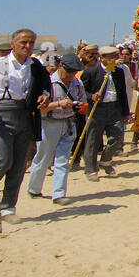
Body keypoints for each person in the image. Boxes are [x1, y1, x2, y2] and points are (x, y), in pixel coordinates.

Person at [0, 29, 52, 223]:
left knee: (18, 165)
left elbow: (45, 86)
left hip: (26, 115)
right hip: (2, 114)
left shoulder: (36, 67)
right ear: (13, 43)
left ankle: (8, 207)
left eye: (31, 43)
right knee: (2, 161)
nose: (27, 46)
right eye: (23, 42)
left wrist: (44, 96)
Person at [27, 53, 86, 205]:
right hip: (49, 124)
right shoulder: (48, 83)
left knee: (63, 159)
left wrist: (78, 106)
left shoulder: (77, 83)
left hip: (68, 123)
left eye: (74, 72)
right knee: (43, 157)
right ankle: (34, 188)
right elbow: (39, 109)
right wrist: (59, 104)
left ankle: (59, 194)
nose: (71, 75)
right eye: (69, 72)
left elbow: (83, 104)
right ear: (60, 67)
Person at [79, 46, 128, 180]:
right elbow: (82, 92)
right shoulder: (91, 72)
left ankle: (106, 160)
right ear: (102, 58)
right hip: (97, 109)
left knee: (117, 137)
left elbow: (122, 93)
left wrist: (126, 112)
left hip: (114, 109)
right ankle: (90, 169)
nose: (114, 59)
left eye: (115, 56)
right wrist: (91, 96)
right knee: (93, 140)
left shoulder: (118, 72)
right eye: (111, 56)